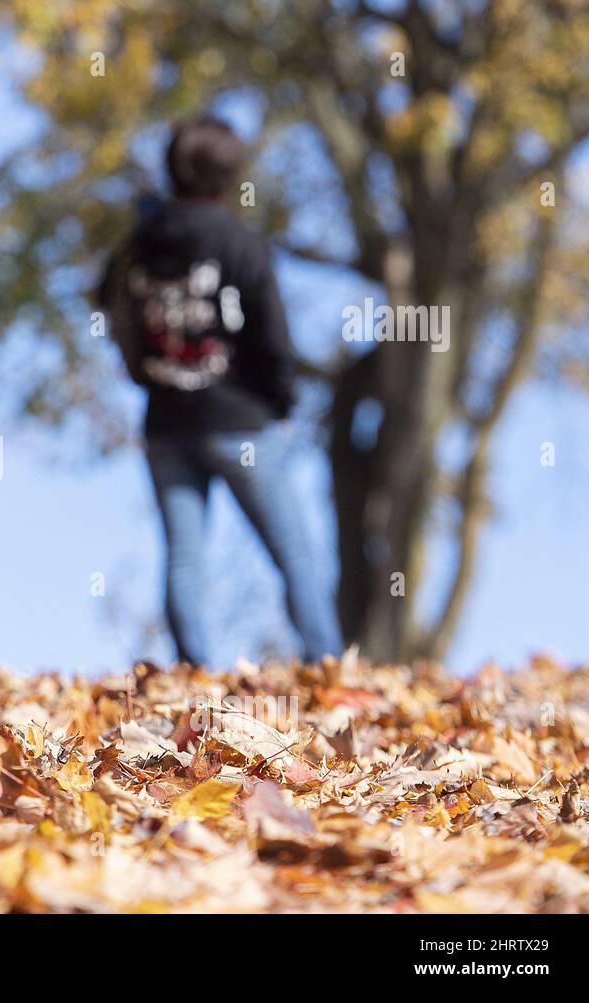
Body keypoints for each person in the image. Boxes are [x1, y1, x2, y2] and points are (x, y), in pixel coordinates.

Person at [98, 115, 342, 666]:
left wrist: (142, 370)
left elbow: (107, 304)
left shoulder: (138, 243)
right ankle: (328, 668)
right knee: (295, 555)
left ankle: (193, 675)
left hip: (165, 422)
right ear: (232, 175)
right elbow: (273, 336)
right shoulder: (241, 244)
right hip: (242, 423)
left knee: (185, 558)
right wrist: (280, 402)